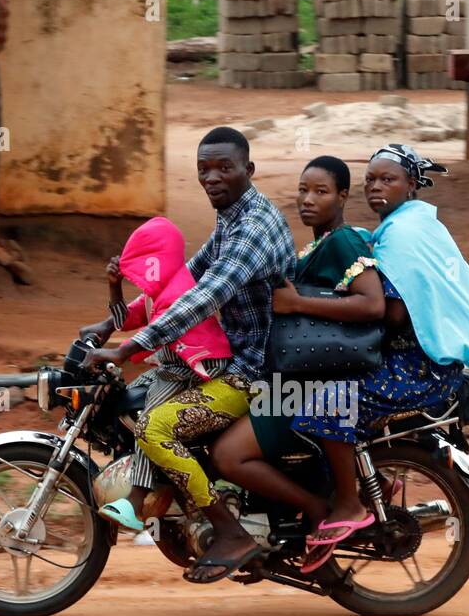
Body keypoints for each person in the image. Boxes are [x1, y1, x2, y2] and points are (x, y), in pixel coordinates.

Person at [82, 127, 296, 583]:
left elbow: (206, 299)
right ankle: (150, 500)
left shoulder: (252, 229)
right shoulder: (232, 220)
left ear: (248, 170)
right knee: (138, 397)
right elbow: (184, 282)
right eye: (204, 169)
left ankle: (229, 532)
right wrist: (112, 323)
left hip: (249, 371)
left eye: (224, 167)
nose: (212, 178)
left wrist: (130, 348)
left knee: (156, 426)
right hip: (229, 359)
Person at [290, 143, 469, 573]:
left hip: (421, 367)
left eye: (388, 180)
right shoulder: (417, 226)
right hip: (436, 358)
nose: (376, 188)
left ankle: (347, 502)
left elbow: (393, 311)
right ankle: (370, 479)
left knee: (325, 403)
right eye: (371, 181)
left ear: (411, 185)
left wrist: (337, 300)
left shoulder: (401, 234)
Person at [210, 155, 387, 553]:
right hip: (292, 379)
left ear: (342, 196)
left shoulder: (344, 241)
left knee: (229, 456)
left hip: (307, 386)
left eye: (321, 192)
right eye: (304, 190)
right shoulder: (316, 246)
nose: (308, 199)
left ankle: (318, 511)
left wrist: (298, 305)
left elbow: (372, 304)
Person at [78, 216, 232, 532]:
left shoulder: (175, 293)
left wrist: (118, 353)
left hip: (193, 368)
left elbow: (155, 334)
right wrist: (114, 285)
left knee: (151, 421)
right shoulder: (155, 292)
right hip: (171, 365)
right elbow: (124, 320)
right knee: (128, 398)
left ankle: (136, 500)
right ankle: (141, 472)